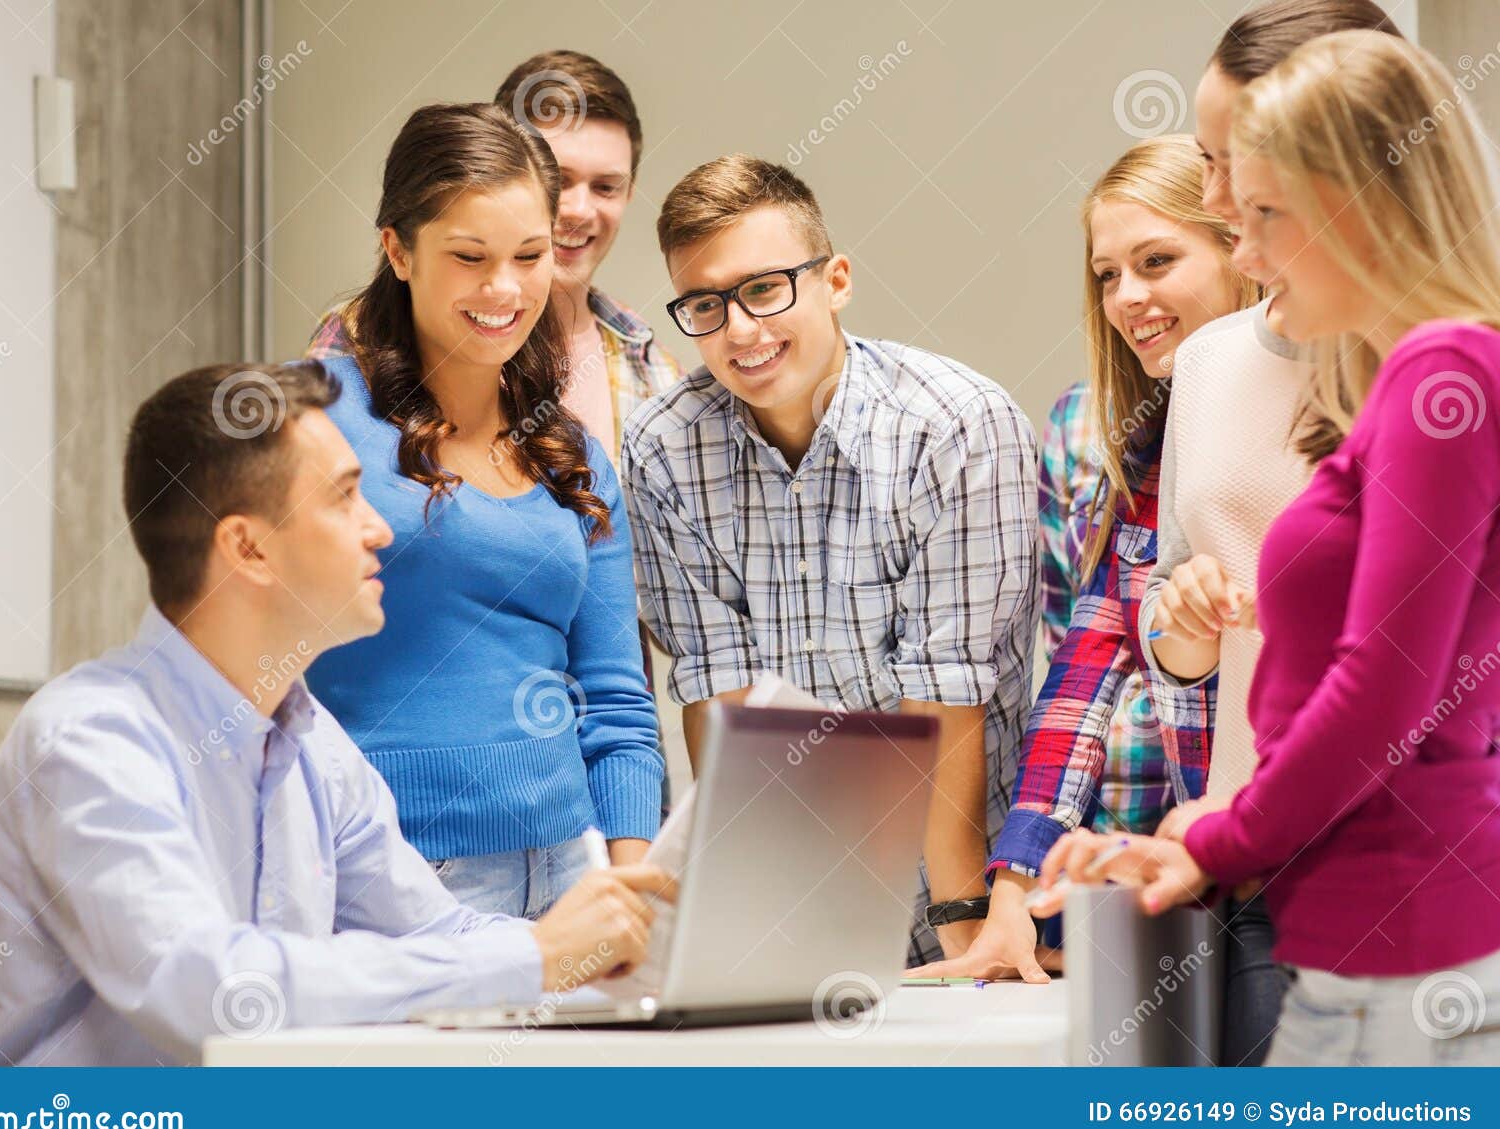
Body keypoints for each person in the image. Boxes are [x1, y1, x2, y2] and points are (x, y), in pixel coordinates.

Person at [0, 362, 675, 1066]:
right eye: (346, 495)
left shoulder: (312, 742)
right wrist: (531, 957)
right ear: (249, 547)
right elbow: (214, 992)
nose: (379, 529)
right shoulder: (90, 741)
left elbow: (439, 928)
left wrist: (600, 942)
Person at [1039, 30, 1500, 1067]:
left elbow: (1382, 688)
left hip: (1405, 951)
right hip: (1350, 939)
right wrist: (1207, 826)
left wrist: (1206, 837)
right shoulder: (1406, 385)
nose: (1240, 254)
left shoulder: (1445, 374)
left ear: (1354, 205)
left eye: (1263, 217)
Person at [621, 155, 1038, 967]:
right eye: (705, 305)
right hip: (812, 889)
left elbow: (947, 690)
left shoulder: (955, 427)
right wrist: (757, 909)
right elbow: (720, 695)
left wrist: (962, 914)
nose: (741, 329)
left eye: (765, 288)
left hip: (985, 872)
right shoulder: (663, 447)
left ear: (835, 279)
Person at [303, 104, 664, 918]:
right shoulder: (317, 418)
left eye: (530, 256)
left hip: (570, 868)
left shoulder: (572, 456)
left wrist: (626, 886)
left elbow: (615, 700)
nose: (504, 289)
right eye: (469, 257)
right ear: (396, 249)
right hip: (390, 868)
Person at [907, 135, 1252, 984]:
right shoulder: (1120, 443)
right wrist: (1017, 888)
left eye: (1157, 260)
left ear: (1240, 247)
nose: (1127, 297)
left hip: (1285, 856)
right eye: (1107, 275)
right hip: (1137, 867)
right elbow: (1086, 661)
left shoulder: (1315, 416)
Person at [1137, 0, 1405, 1066]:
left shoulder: (1447, 373)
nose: (1211, 203)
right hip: (1259, 879)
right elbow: (1170, 621)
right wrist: (1184, 620)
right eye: (1204, 163)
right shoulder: (1207, 363)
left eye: (1233, 165)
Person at [307, 49, 683, 458]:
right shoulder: (359, 340)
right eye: (558, 180)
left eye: (605, 186)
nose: (577, 210)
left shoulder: (652, 368)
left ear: (630, 191)